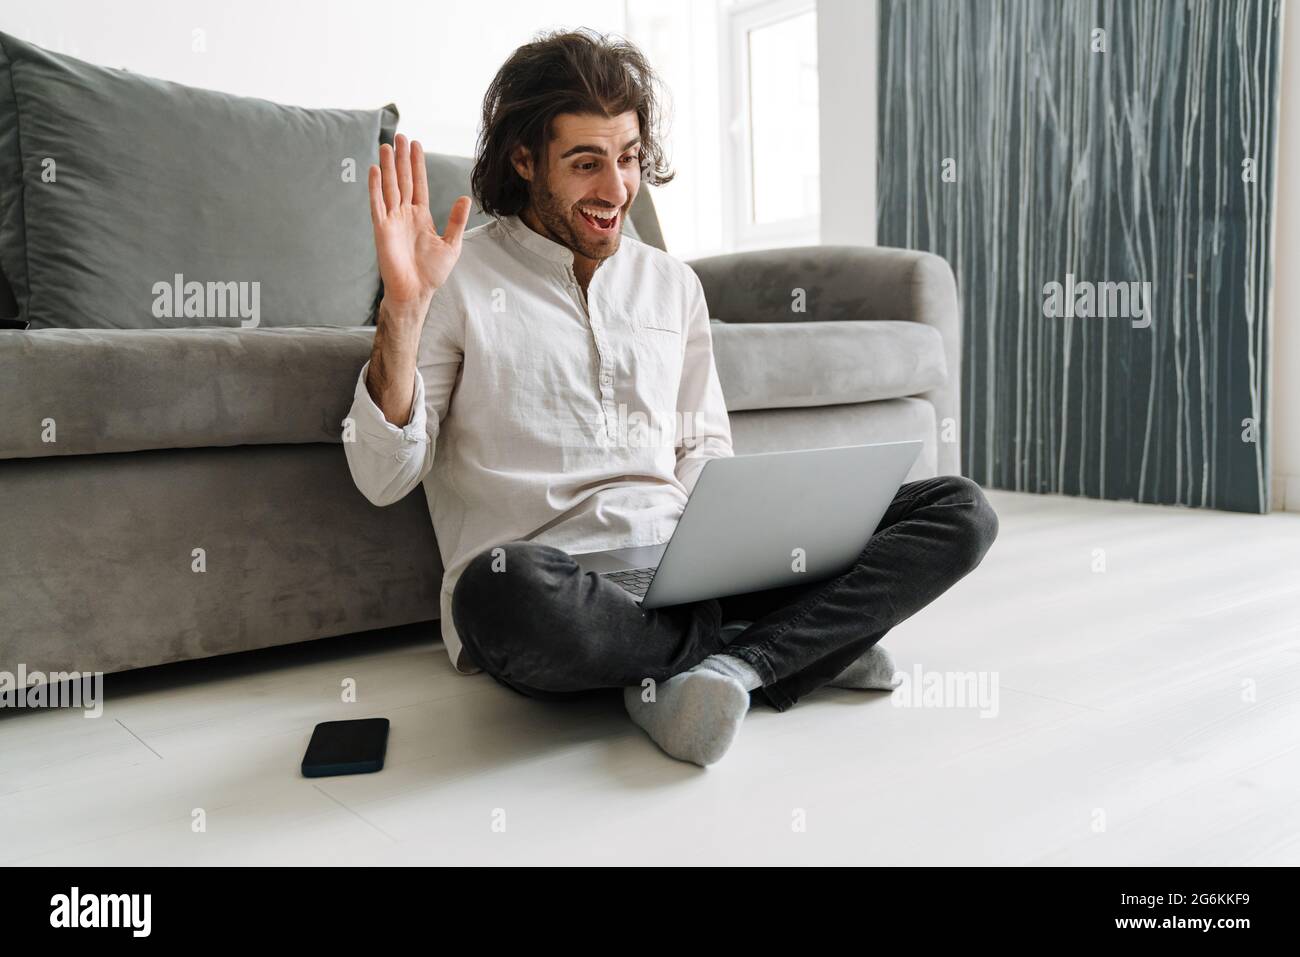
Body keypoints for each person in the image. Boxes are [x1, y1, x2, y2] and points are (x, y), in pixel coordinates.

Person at [344, 28, 999, 766]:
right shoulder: (458, 279)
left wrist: (732, 551)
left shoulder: (672, 284)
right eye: (586, 163)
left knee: (960, 509)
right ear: (525, 160)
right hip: (561, 585)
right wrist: (403, 306)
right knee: (498, 592)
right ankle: (796, 647)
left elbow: (702, 445)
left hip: (686, 569)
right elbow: (382, 475)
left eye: (627, 159)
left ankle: (729, 668)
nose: (617, 189)